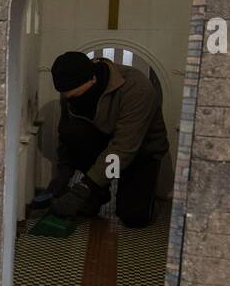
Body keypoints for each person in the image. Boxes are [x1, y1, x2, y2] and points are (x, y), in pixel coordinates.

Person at [42, 51, 169, 228]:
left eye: (76, 96)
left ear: (93, 79)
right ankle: (98, 194)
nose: (71, 101)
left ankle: (99, 187)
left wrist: (82, 190)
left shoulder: (137, 88)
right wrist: (60, 181)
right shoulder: (71, 93)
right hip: (105, 144)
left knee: (133, 217)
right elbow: (67, 136)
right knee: (75, 132)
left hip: (140, 151)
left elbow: (123, 149)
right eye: (67, 96)